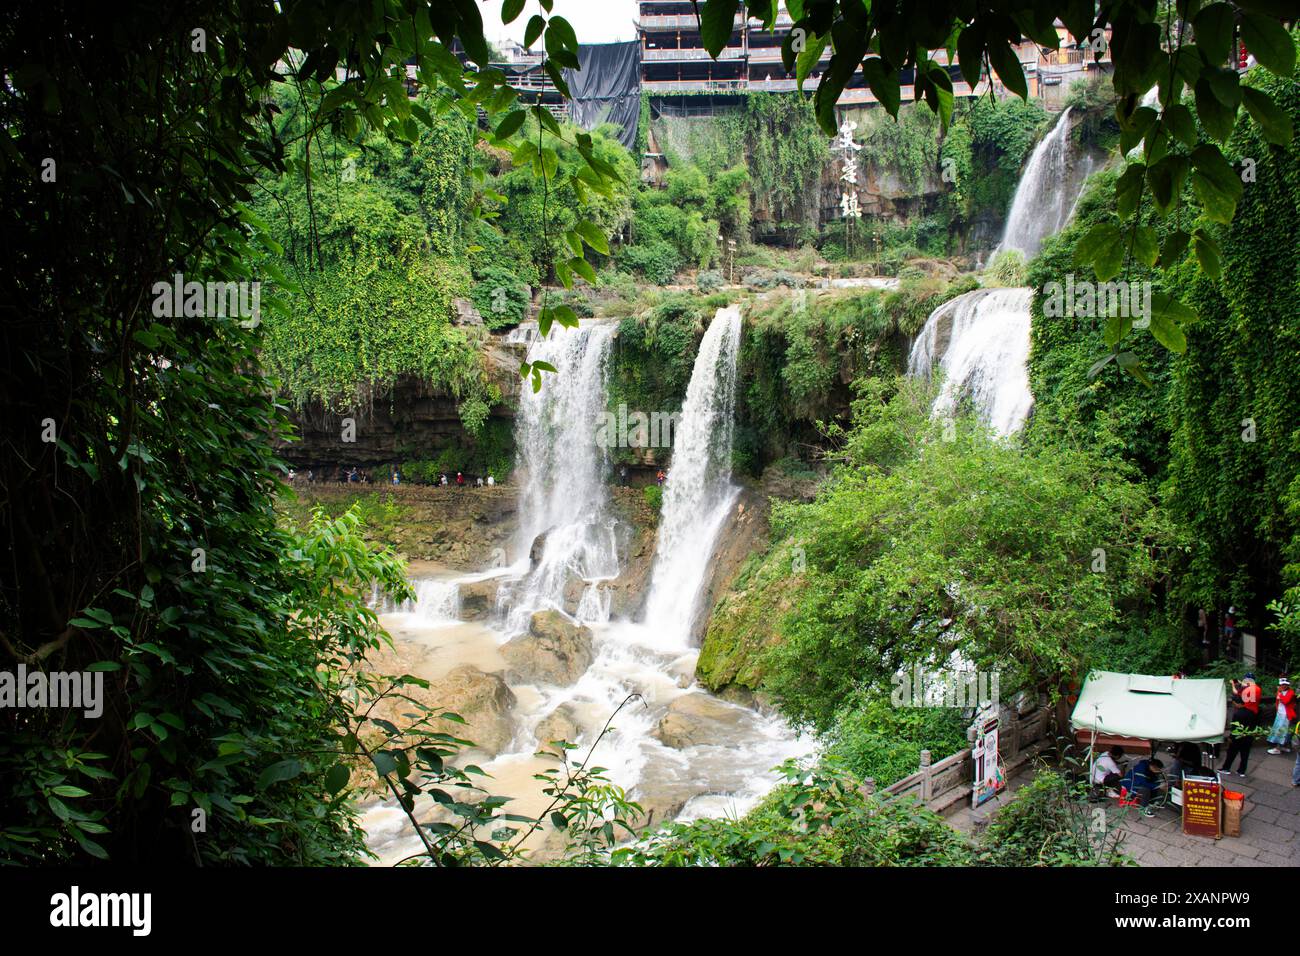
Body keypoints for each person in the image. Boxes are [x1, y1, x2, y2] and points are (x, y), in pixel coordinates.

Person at [1223, 684, 1260, 777]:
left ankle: (1226, 768)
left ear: (1239, 703)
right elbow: (1256, 725)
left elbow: (1234, 727)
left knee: (1231, 753)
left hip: (1237, 737)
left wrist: (1231, 737)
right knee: (1245, 754)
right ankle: (1241, 771)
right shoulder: (1253, 713)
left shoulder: (1238, 714)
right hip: (1248, 736)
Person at [1267, 676, 1296, 754]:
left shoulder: (1291, 692)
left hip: (1286, 715)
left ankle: (1278, 749)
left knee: (1282, 731)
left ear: (1288, 685)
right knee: (1278, 730)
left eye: (1285, 684)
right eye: (1282, 684)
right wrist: (1278, 710)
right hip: (1280, 714)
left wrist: (1279, 692)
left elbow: (1285, 701)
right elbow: (1277, 702)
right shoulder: (1280, 691)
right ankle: (1282, 747)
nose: (1283, 686)